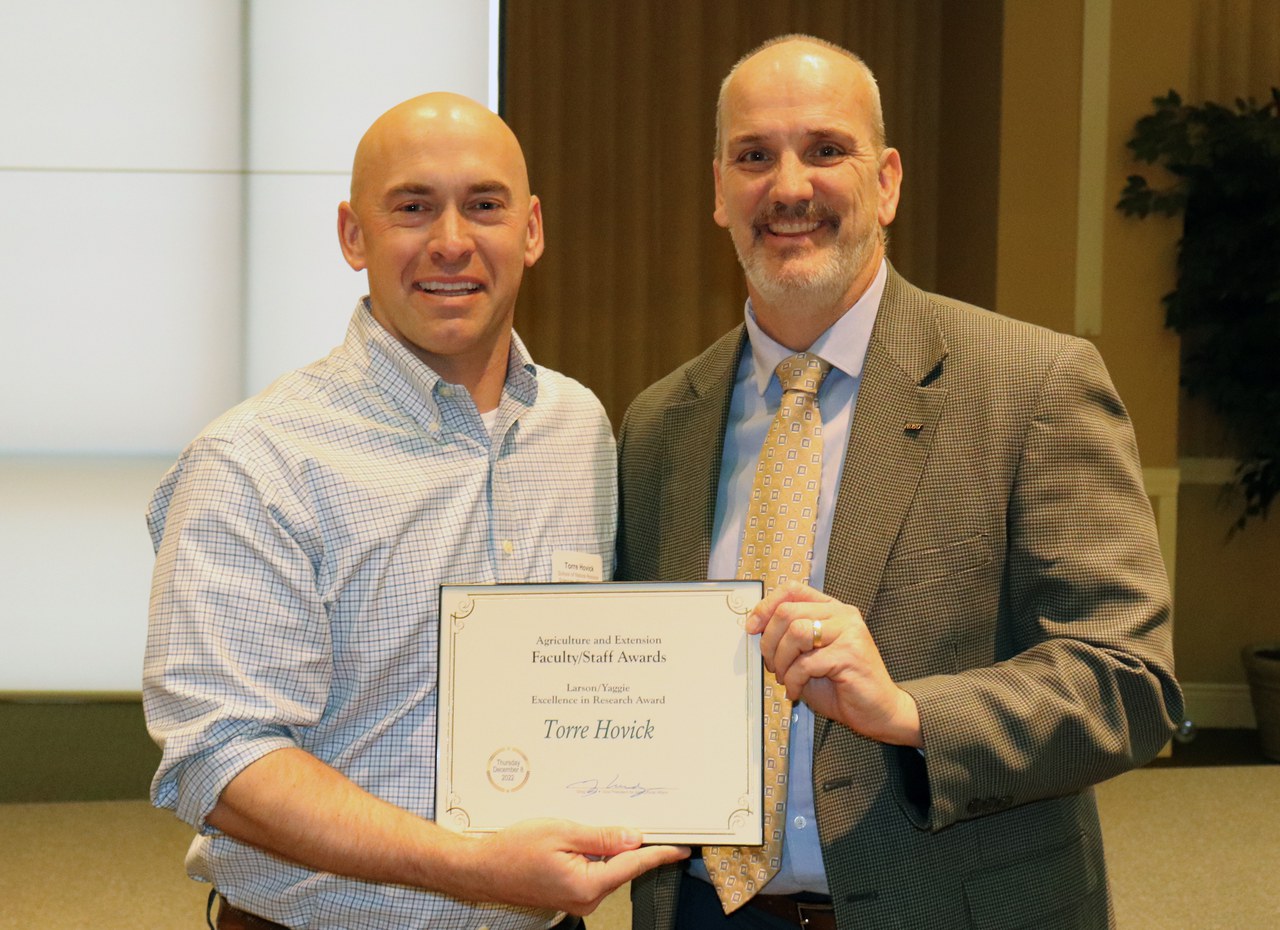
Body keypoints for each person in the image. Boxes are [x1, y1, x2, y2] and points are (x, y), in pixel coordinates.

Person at [616, 34, 1182, 930]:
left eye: (825, 150)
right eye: (754, 156)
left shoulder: (1034, 384)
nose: (789, 187)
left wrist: (912, 711)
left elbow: (1126, 680)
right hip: (705, 911)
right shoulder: (657, 425)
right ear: (718, 191)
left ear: (886, 181)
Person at [143, 92, 687, 930]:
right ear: (353, 234)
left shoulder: (579, 429)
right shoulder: (256, 461)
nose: (452, 242)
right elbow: (223, 762)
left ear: (532, 230)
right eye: (412, 208)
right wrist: (470, 866)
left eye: (484, 205)